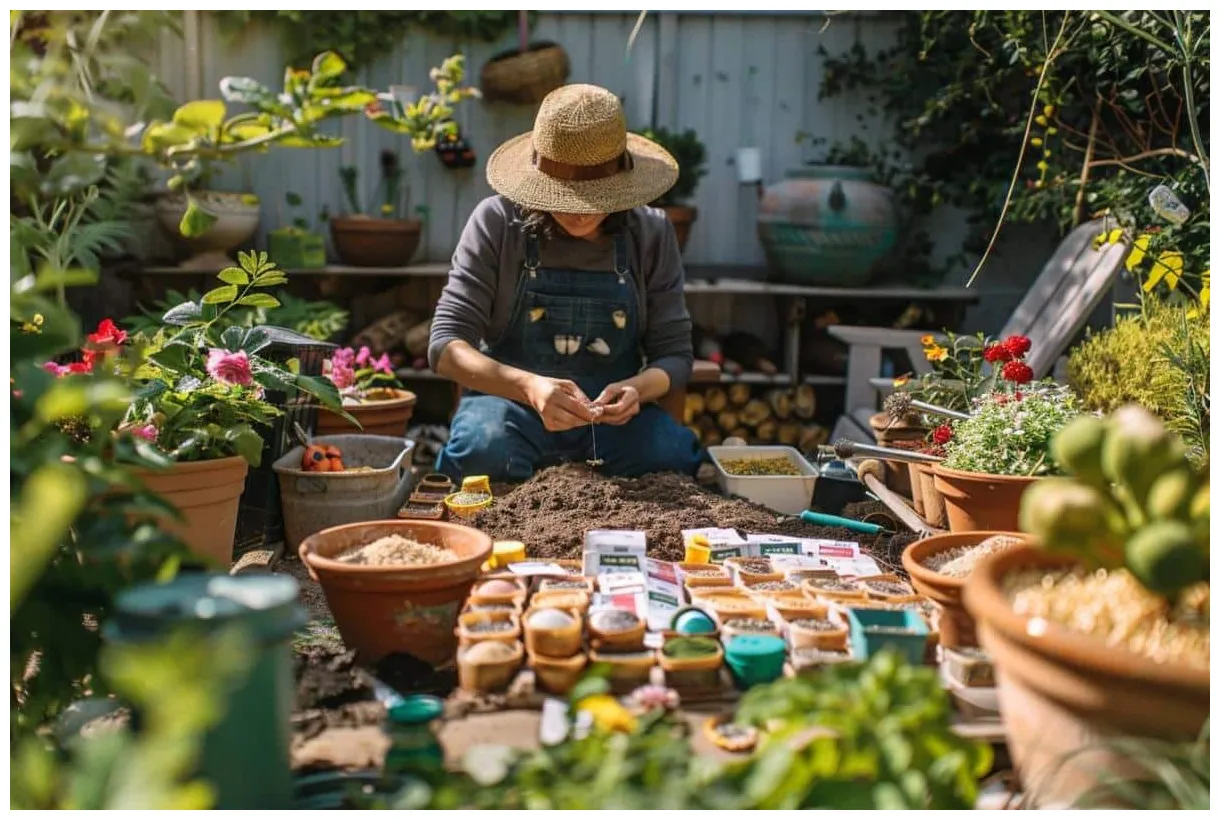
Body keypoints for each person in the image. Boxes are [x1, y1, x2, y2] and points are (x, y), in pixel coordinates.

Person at [428, 83, 705, 483]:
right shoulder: (497, 223)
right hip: (511, 407)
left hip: (611, 420)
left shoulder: (651, 232)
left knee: (671, 455)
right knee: (483, 451)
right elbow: (445, 346)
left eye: (592, 195)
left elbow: (675, 356)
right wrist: (527, 386)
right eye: (563, 195)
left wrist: (636, 391)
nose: (576, 214)